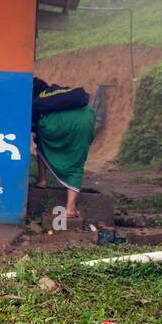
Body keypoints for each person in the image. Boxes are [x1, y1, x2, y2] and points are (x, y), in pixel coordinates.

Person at [32, 77, 96, 220]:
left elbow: (34, 129)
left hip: (59, 123)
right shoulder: (59, 93)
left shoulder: (37, 102)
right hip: (87, 118)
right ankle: (70, 209)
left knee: (40, 141)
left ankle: (42, 181)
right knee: (76, 163)